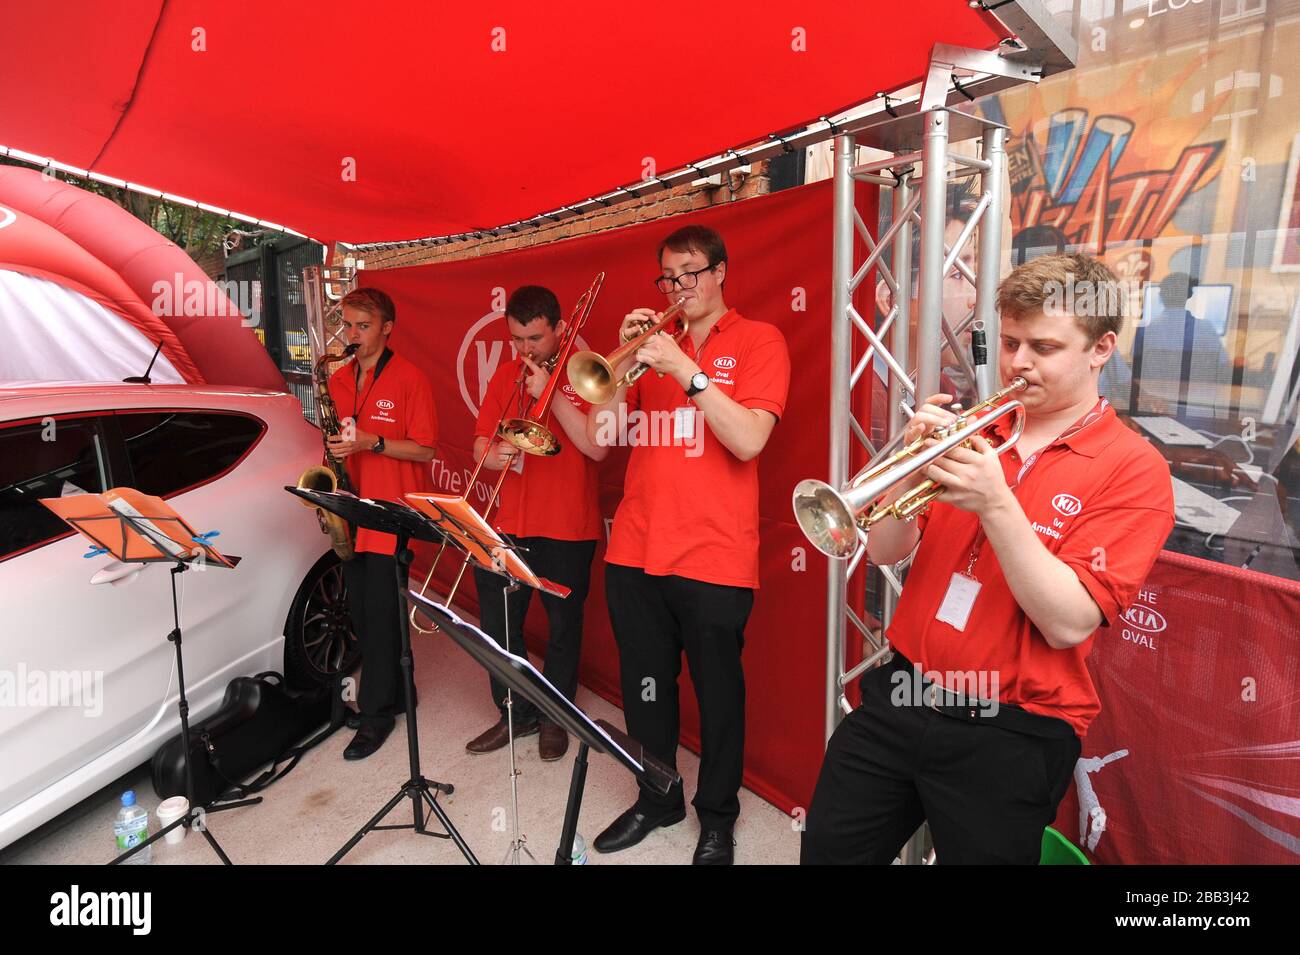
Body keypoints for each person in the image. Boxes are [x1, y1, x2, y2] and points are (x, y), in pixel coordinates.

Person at [801, 253, 1175, 864]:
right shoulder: (979, 433)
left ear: (1101, 348)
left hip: (1014, 727)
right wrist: (908, 469)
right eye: (1010, 342)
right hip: (905, 690)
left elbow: (1069, 621)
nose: (1018, 363)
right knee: (828, 853)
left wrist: (998, 504)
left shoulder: (1135, 470)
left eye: (1044, 347)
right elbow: (890, 549)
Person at [586, 225, 791, 864]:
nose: (680, 288)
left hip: (714, 554)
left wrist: (689, 370)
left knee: (719, 695)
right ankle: (658, 796)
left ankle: (718, 815)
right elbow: (599, 437)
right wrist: (623, 364)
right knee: (646, 686)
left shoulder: (760, 340)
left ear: (722, 272)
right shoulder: (652, 348)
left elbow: (750, 439)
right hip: (637, 549)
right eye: (669, 277)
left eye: (692, 273)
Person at [464, 285, 606, 761]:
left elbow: (597, 446)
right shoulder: (504, 376)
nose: (526, 350)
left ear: (561, 329)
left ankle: (555, 716)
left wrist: (548, 392)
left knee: (564, 626)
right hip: (510, 520)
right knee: (500, 624)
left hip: (569, 523)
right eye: (518, 339)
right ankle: (516, 714)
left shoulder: (588, 373)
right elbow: (481, 442)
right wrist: (492, 454)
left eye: (536, 338)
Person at [326, 287, 438, 761]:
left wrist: (373, 444)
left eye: (363, 326)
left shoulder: (411, 378)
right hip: (351, 510)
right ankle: (399, 693)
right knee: (366, 613)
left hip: (391, 513)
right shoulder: (337, 380)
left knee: (381, 618)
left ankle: (375, 717)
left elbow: (426, 449)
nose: (352, 335)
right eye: (347, 325)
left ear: (387, 328)